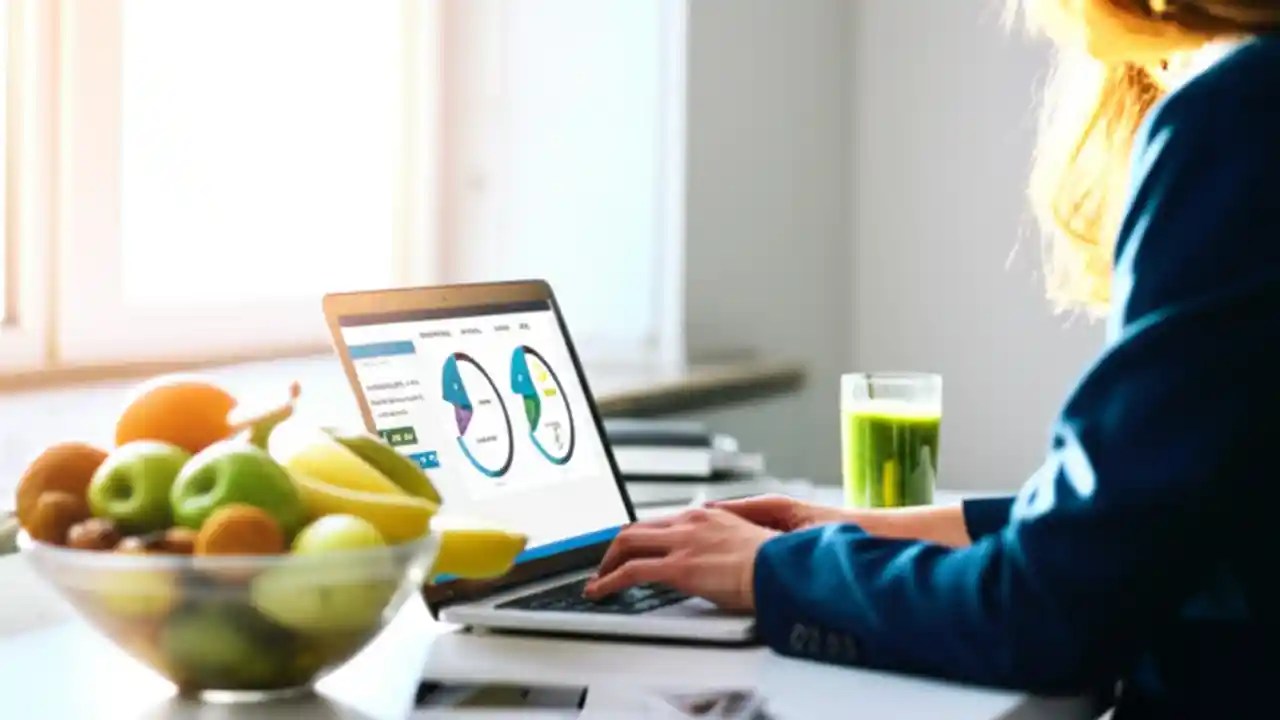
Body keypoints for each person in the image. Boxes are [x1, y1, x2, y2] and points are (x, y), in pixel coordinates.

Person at [583, 1, 1280, 716]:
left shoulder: (1240, 109)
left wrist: (774, 569)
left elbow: (1053, 612)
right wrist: (869, 528)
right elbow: (1177, 511)